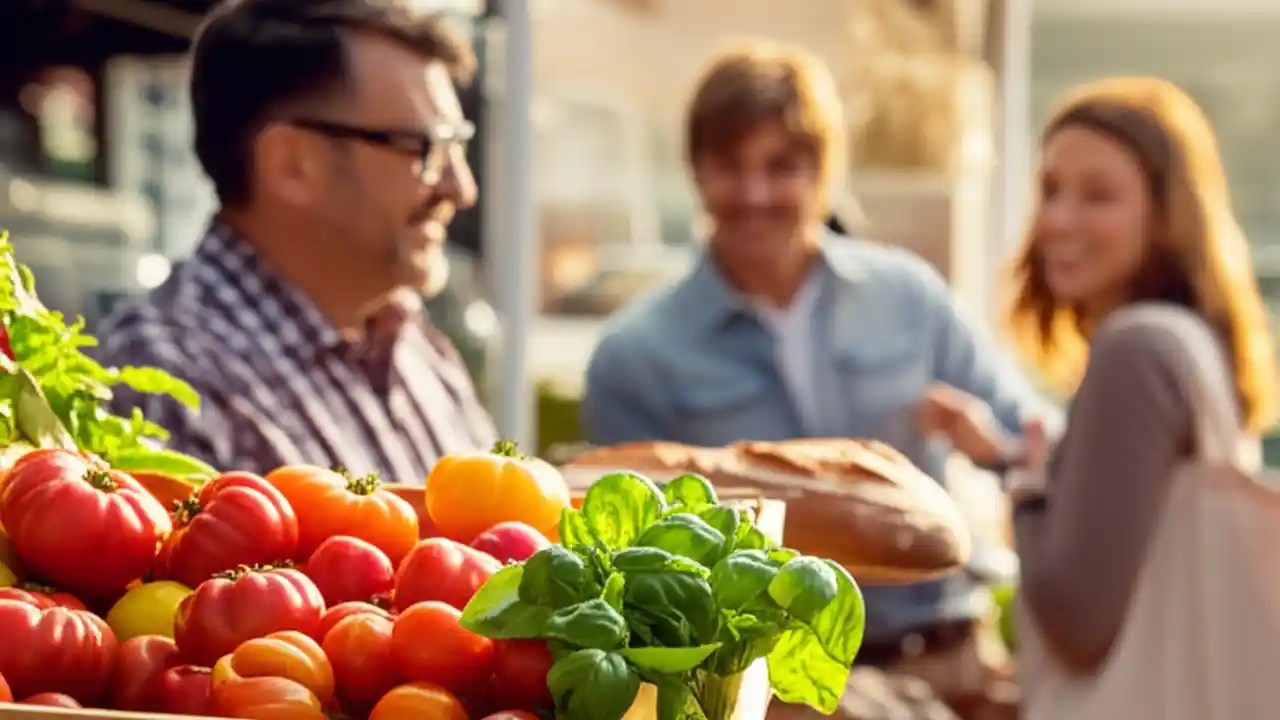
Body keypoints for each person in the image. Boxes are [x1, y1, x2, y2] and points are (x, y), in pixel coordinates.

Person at [581, 41, 1053, 718]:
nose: (754, 195)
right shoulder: (637, 354)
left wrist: (995, 450)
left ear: (825, 171)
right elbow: (632, 573)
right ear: (696, 172)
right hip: (786, 695)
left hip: (955, 664)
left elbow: (1038, 441)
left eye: (782, 167)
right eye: (729, 167)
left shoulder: (909, 296)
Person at [930, 77, 1280, 718]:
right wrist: (1010, 457)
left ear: (1167, 214)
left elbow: (1078, 620)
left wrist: (1030, 491)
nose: (1059, 220)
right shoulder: (1195, 346)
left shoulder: (1135, 350)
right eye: (1051, 191)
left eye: (1099, 196)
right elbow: (1134, 518)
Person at [96, 0, 497, 482]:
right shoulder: (168, 378)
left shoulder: (413, 345)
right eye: (422, 148)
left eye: (458, 145)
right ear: (290, 164)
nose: (461, 188)